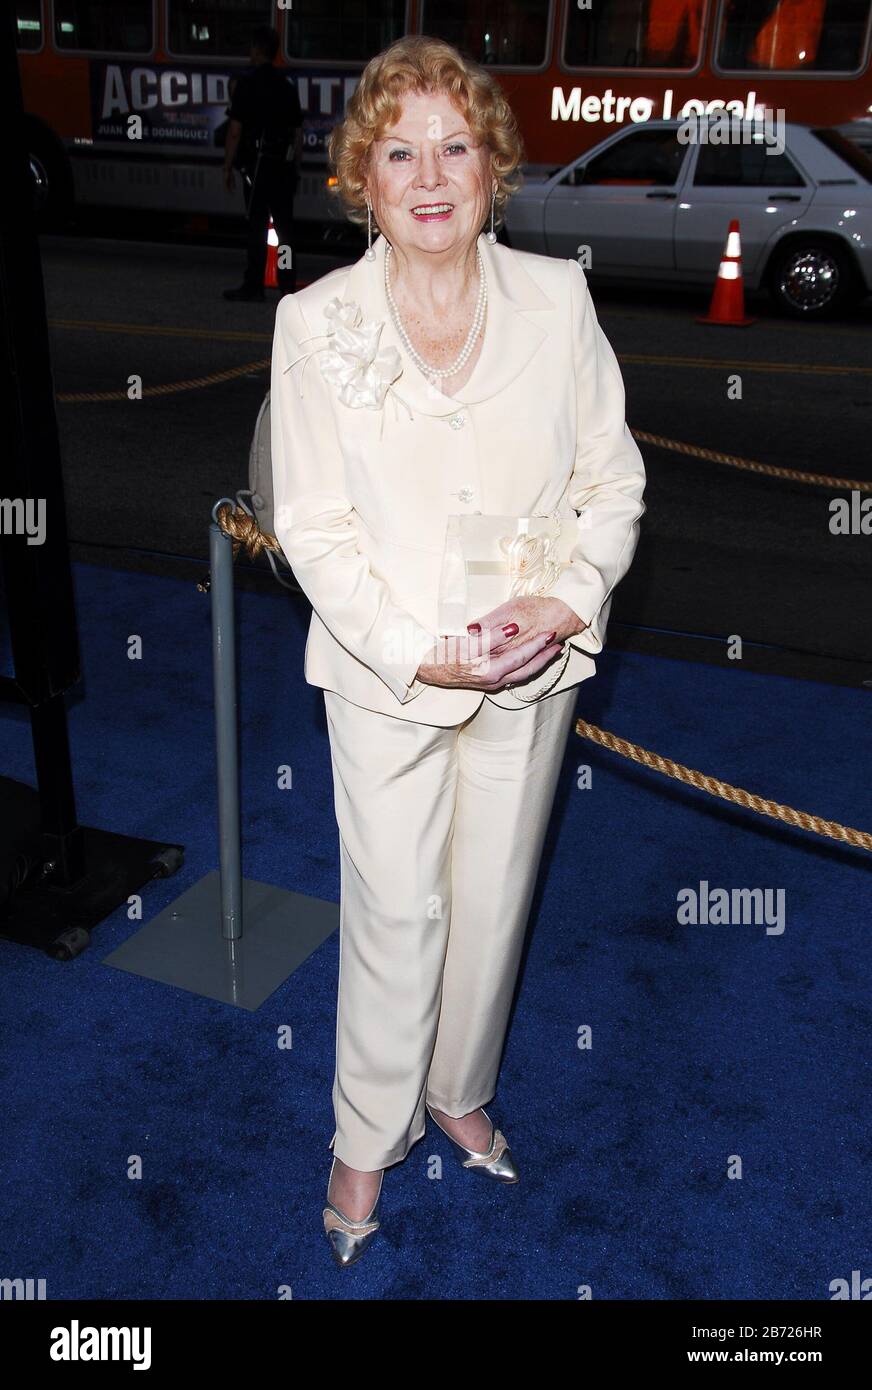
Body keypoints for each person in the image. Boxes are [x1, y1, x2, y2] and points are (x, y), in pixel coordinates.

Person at [269, 35, 647, 1267]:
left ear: (491, 167)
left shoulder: (557, 299)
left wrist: (568, 600)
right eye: (398, 152)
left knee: (491, 901)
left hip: (530, 669)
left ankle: (457, 1089)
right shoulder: (313, 322)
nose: (428, 176)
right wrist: (412, 651)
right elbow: (313, 526)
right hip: (387, 673)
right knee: (394, 911)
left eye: (453, 147)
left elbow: (610, 483)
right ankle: (364, 1134)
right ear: (359, 180)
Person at [223, 25, 302, 301]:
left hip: (256, 166)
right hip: (282, 166)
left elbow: (235, 130)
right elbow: (297, 134)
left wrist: (227, 166)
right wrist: (296, 168)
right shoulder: (287, 87)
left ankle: (253, 285)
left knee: (256, 227)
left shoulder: (246, 85)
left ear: (257, 50)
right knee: (285, 229)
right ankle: (287, 285)